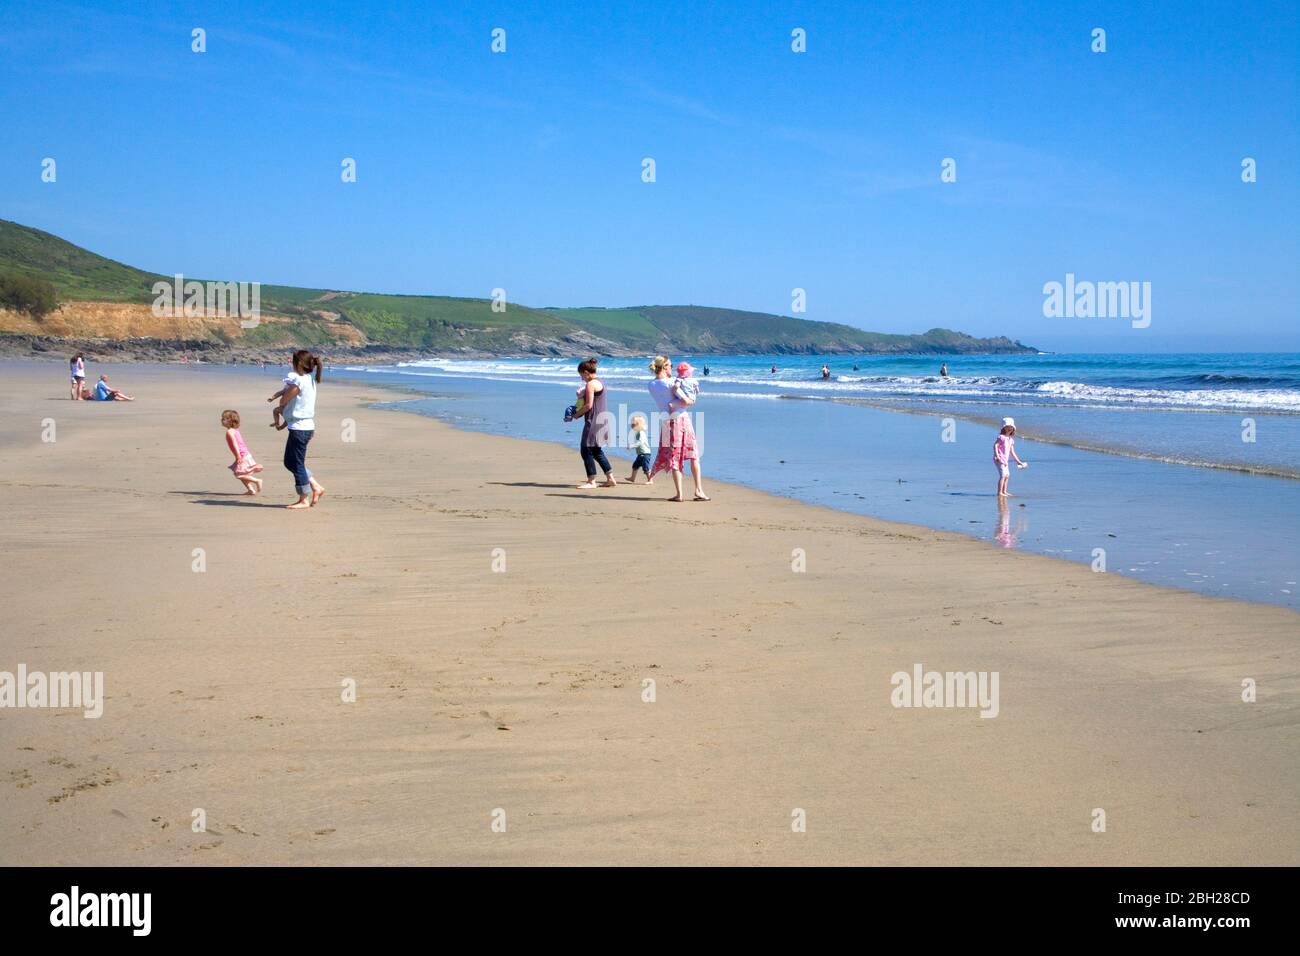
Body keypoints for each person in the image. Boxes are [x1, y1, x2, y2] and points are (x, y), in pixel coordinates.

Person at [648, 355, 708, 502]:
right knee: (693, 454)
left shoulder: (651, 384)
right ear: (664, 367)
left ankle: (679, 494)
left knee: (674, 457)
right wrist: (691, 399)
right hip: (681, 419)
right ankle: (698, 490)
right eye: (670, 365)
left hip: (666, 421)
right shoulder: (671, 383)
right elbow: (686, 400)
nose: (672, 368)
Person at [275, 349, 326, 509]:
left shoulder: (300, 380)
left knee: (296, 463)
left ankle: (304, 498)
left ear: (298, 363)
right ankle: (316, 486)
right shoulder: (309, 378)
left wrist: (281, 405)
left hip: (300, 428)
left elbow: (285, 398)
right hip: (303, 427)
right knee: (289, 462)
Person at [574, 358, 616, 489]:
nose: (582, 379)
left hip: (593, 421)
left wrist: (577, 414)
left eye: (581, 376)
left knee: (585, 449)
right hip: (603, 419)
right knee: (596, 450)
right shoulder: (601, 382)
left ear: (586, 372)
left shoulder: (591, 384)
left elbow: (589, 405)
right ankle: (610, 479)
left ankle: (591, 481)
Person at [221, 410, 264, 495]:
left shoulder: (230, 431)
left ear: (230, 421)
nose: (221, 420)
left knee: (239, 474)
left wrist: (238, 456)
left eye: (224, 419)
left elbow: (235, 444)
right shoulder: (235, 430)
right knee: (242, 473)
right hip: (244, 454)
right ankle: (250, 490)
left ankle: (257, 481)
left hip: (242, 455)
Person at [994, 417, 1027, 497]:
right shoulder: (1001, 437)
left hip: (1005, 460)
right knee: (1003, 475)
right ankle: (999, 492)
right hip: (999, 459)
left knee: (1007, 475)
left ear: (1013, 429)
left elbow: (1012, 452)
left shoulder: (1010, 439)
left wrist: (1018, 462)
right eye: (1007, 427)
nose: (1009, 429)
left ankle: (1004, 491)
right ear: (1004, 428)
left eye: (1011, 427)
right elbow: (995, 445)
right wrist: (997, 455)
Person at [627, 414, 654, 484]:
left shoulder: (641, 433)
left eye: (633, 424)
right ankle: (632, 478)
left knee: (646, 468)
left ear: (638, 425)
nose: (631, 425)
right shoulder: (638, 433)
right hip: (640, 454)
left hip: (645, 454)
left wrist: (632, 446)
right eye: (631, 424)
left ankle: (650, 480)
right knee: (635, 466)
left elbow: (640, 442)